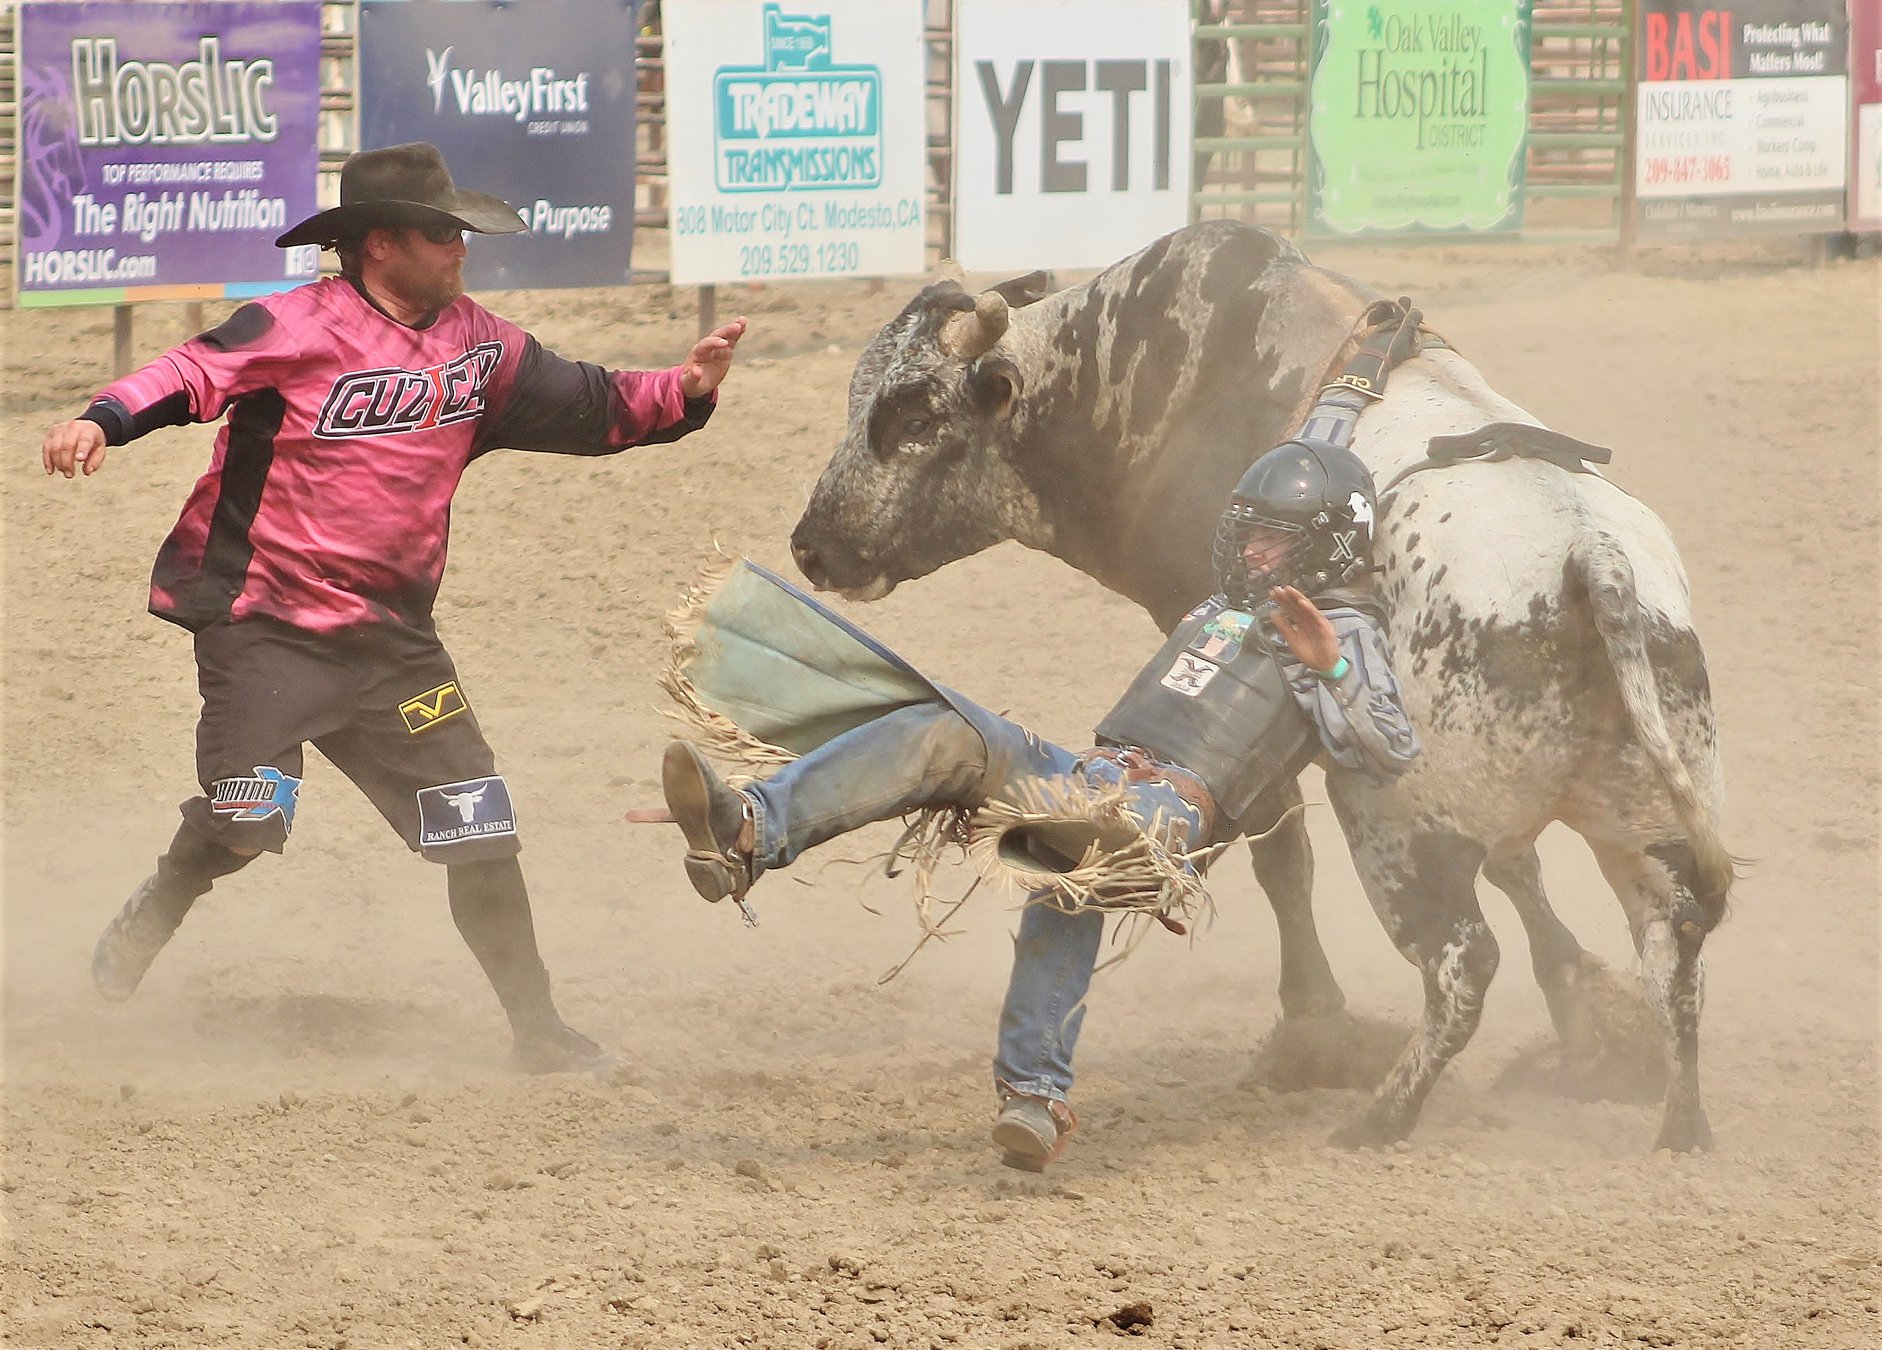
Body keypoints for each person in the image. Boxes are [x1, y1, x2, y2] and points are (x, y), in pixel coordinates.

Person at [40, 141, 747, 1073]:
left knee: (478, 829)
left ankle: (537, 1029)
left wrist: (684, 390)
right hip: (266, 631)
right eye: (441, 231)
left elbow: (589, 400)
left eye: (460, 230)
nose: (461, 247)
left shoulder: (479, 346)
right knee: (250, 817)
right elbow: (187, 372)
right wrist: (101, 417)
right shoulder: (296, 325)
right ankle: (166, 897)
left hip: (395, 646)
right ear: (380, 244)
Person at [654, 438, 1420, 1167]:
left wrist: (1333, 668)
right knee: (945, 731)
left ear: (1330, 544)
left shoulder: (1346, 628)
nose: (1252, 549)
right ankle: (750, 829)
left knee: (1079, 838)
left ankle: (1035, 1089)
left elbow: (1390, 753)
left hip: (1169, 818)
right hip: (1089, 775)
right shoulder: (1222, 602)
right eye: (1249, 531)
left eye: (1274, 539)